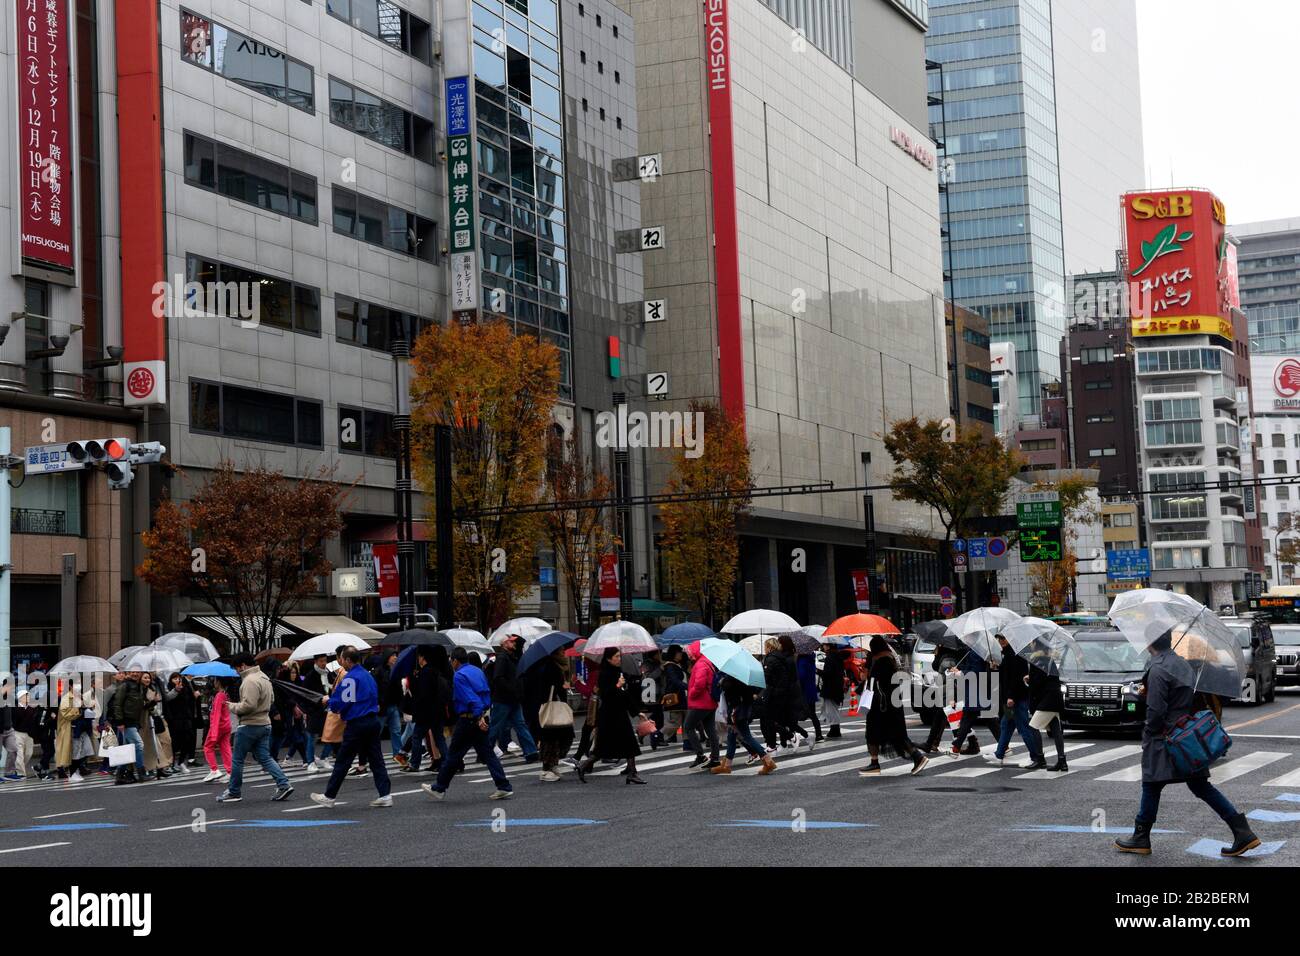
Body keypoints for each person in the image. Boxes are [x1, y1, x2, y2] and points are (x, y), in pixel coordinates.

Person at [1115, 631, 1261, 858]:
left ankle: (1141, 837)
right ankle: (1242, 831)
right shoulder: (1181, 664)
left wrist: (1150, 725)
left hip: (1164, 737)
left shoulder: (1159, 669)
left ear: (1149, 643)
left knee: (1152, 784)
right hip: (1186, 737)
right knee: (1200, 786)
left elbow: (1156, 711)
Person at [421, 647, 512, 800]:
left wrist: (477, 717)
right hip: (480, 715)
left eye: (451, 660)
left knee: (453, 754)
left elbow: (471, 698)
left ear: (455, 660)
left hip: (468, 719)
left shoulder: (459, 676)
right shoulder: (477, 671)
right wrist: (483, 715)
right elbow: (485, 693)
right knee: (488, 754)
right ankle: (503, 785)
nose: (451, 663)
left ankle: (439, 787)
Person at [310, 648, 393, 808]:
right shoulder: (368, 675)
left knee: (343, 760)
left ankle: (329, 796)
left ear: (348, 660)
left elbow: (342, 702)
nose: (340, 662)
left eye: (341, 659)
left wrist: (329, 701)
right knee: (376, 759)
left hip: (357, 723)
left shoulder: (351, 678)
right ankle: (385, 795)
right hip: (372, 720)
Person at [217, 654, 294, 803]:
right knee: (265, 758)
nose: (237, 672)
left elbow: (248, 706)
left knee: (238, 759)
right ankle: (284, 784)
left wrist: (231, 706)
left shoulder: (249, 681)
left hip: (249, 725)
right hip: (265, 723)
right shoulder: (264, 678)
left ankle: (234, 791)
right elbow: (271, 699)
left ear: (243, 665)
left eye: (237, 668)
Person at [860, 636, 928, 776]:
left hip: (882, 705)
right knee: (895, 734)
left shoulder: (881, 661)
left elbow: (873, 681)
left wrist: (866, 670)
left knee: (878, 732)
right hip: (890, 702)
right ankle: (915, 757)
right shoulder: (889, 658)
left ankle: (917, 758)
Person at [576, 648, 646, 784]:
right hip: (609, 715)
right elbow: (606, 695)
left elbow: (625, 695)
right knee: (604, 747)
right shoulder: (604, 674)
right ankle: (584, 766)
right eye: (616, 656)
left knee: (629, 743)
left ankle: (632, 772)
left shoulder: (618, 672)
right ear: (609, 658)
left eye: (619, 656)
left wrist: (637, 712)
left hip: (619, 713)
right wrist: (617, 685)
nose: (619, 659)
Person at [993, 635, 1045, 769]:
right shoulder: (1006, 654)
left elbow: (1016, 679)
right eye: (999, 639)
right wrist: (996, 667)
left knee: (1023, 727)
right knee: (1006, 724)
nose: (1000, 642)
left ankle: (1036, 756)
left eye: (1003, 639)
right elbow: (1006, 675)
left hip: (1016, 698)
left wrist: (1011, 697)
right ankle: (999, 754)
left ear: (1010, 639)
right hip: (1011, 697)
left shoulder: (1015, 655)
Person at [487, 634, 540, 763]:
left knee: (519, 725)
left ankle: (531, 751)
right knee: (496, 726)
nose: (513, 643)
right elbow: (498, 678)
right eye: (510, 641)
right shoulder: (502, 658)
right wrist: (513, 689)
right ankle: (486, 751)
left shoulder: (511, 657)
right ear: (504, 644)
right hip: (503, 699)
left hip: (512, 698)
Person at [711, 674, 777, 775]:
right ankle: (726, 766)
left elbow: (730, 689)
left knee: (747, 737)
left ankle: (768, 761)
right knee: (731, 738)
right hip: (740, 710)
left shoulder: (733, 677)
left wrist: (722, 683)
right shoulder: (743, 676)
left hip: (736, 712)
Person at [527, 646, 574, 781]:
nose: (565, 654)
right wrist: (562, 685)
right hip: (550, 705)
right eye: (562, 651)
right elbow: (551, 685)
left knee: (558, 737)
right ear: (556, 653)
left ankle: (552, 765)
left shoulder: (555, 665)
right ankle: (546, 768)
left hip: (553, 704)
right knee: (551, 738)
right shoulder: (550, 666)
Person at [402, 646, 450, 773]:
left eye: (419, 657)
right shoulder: (436, 671)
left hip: (425, 713)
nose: (418, 659)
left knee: (417, 737)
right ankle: (447, 762)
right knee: (439, 738)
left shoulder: (424, 673)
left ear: (422, 658)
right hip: (438, 711)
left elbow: (422, 695)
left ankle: (414, 764)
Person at [1026, 649, 1068, 772]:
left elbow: (1037, 684)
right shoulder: (1050, 661)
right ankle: (1062, 761)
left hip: (1047, 701)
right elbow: (1048, 679)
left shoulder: (1037, 661)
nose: (1031, 645)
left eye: (1032, 643)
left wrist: (1029, 680)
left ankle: (1040, 759)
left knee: (1033, 726)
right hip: (1056, 699)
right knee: (1056, 730)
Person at [683, 644, 721, 771]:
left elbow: (699, 684)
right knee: (710, 730)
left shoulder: (701, 664)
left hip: (700, 703)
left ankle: (700, 755)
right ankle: (715, 758)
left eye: (690, 652)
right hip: (710, 703)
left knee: (688, 726)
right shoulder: (707, 662)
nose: (689, 655)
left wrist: (691, 694)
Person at [107, 671, 149, 785]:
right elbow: (117, 704)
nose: (135, 673)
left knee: (126, 748)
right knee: (138, 745)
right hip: (126, 722)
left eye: (137, 672)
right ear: (128, 673)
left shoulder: (139, 686)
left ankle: (121, 775)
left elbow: (139, 705)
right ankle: (141, 773)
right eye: (132, 671)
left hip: (133, 721)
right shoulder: (125, 685)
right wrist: (120, 722)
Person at [947, 650, 989, 756]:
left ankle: (956, 747)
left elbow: (975, 672)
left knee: (968, 718)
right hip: (976, 690)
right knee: (970, 718)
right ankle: (956, 746)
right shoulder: (972, 651)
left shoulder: (975, 653)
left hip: (975, 690)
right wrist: (958, 670)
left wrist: (959, 673)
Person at [300, 654, 333, 772]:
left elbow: (333, 688)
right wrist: (320, 700)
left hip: (328, 709)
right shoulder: (310, 676)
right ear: (316, 661)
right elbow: (305, 694)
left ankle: (324, 758)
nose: (323, 663)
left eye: (325, 661)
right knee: (311, 736)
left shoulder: (329, 673)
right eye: (321, 661)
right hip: (314, 710)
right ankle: (310, 762)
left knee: (330, 735)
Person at [375, 651, 408, 759]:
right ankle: (371, 755)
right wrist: (377, 702)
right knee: (376, 733)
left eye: (396, 655)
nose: (395, 657)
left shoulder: (395, 670)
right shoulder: (378, 671)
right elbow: (375, 689)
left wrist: (401, 704)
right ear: (387, 657)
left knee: (396, 731)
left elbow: (399, 689)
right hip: (382, 706)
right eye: (393, 655)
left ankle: (398, 755)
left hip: (393, 705)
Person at [163, 673, 199, 772]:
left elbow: (189, 701)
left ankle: (181, 761)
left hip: (186, 718)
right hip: (174, 719)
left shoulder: (185, 688)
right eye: (174, 678)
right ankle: (173, 763)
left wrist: (194, 696)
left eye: (179, 678)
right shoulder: (169, 688)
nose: (177, 680)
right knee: (175, 742)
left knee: (187, 740)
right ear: (171, 680)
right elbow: (167, 699)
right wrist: (176, 690)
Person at [202, 678, 233, 782]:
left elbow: (216, 714)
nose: (213, 683)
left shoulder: (219, 696)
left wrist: (214, 732)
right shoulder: (226, 694)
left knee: (207, 747)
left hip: (218, 726)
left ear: (219, 682)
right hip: (226, 725)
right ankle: (230, 772)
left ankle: (214, 770)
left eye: (215, 680)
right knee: (225, 748)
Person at [658, 645, 690, 747]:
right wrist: (688, 687)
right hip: (676, 697)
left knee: (686, 721)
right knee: (675, 723)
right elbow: (675, 681)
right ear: (673, 654)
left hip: (683, 696)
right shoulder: (669, 666)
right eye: (678, 652)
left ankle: (687, 742)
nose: (681, 654)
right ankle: (657, 735)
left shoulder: (678, 665)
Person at [796, 646, 822, 743]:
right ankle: (819, 734)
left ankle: (793, 735)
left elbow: (801, 676)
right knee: (813, 714)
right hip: (811, 690)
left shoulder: (802, 660)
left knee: (795, 714)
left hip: (803, 691)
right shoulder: (811, 658)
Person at [819, 644, 845, 739]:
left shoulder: (829, 658)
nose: (824, 647)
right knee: (833, 708)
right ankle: (835, 729)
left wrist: (819, 671)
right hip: (837, 686)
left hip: (830, 687)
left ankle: (835, 729)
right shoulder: (838, 657)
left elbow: (828, 673)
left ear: (829, 647)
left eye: (825, 645)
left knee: (831, 709)